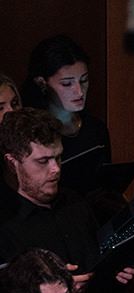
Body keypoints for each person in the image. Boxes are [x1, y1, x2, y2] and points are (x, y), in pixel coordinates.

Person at [0, 107, 134, 293]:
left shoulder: (75, 202)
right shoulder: (6, 225)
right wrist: (57, 291)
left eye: (58, 157)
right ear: (12, 162)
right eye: (43, 161)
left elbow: (97, 266)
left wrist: (116, 274)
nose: (55, 169)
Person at [22, 35, 111, 195]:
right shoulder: (30, 135)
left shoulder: (95, 129)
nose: (79, 91)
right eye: (67, 83)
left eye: (83, 80)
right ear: (42, 83)